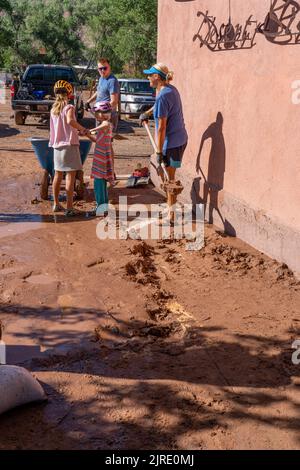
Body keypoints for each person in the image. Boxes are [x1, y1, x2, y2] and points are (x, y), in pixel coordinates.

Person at [140, 63, 188, 222]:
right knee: (165, 175)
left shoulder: (162, 95)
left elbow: (161, 128)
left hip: (172, 142)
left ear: (156, 77)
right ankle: (170, 208)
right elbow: (159, 107)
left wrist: (159, 152)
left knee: (169, 179)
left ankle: (171, 215)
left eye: (150, 75)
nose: (147, 77)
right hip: (180, 138)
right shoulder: (170, 89)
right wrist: (146, 113)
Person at [49, 80, 91, 216]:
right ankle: (69, 207)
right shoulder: (69, 107)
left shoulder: (53, 109)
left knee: (57, 175)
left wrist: (76, 131)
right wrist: (83, 129)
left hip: (57, 146)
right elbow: (70, 121)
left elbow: (61, 128)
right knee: (70, 176)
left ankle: (56, 204)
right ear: (69, 93)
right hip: (69, 145)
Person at [89, 101, 114, 216]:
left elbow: (104, 125)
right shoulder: (103, 125)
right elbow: (97, 140)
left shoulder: (106, 124)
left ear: (102, 113)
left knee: (98, 184)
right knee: (102, 183)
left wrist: (90, 130)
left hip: (101, 158)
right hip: (102, 157)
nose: (95, 115)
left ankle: (100, 207)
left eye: (96, 113)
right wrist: (87, 134)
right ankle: (103, 207)